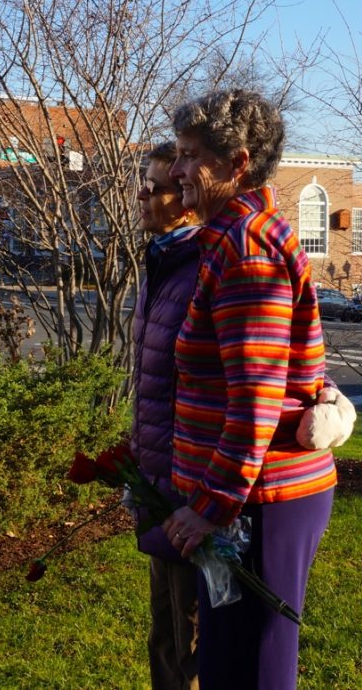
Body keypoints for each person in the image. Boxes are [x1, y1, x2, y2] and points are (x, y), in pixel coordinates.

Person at [161, 89, 337, 690]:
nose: (177, 171)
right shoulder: (231, 240)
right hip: (248, 499)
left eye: (190, 155)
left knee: (252, 673)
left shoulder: (247, 250)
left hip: (261, 501)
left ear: (236, 163)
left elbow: (256, 397)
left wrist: (209, 506)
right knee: (227, 667)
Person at [131, 141, 202, 690]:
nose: (142, 196)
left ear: (188, 201)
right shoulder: (161, 262)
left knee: (191, 638)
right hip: (159, 478)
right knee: (164, 633)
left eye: (155, 188)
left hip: (192, 490)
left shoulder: (202, 268)